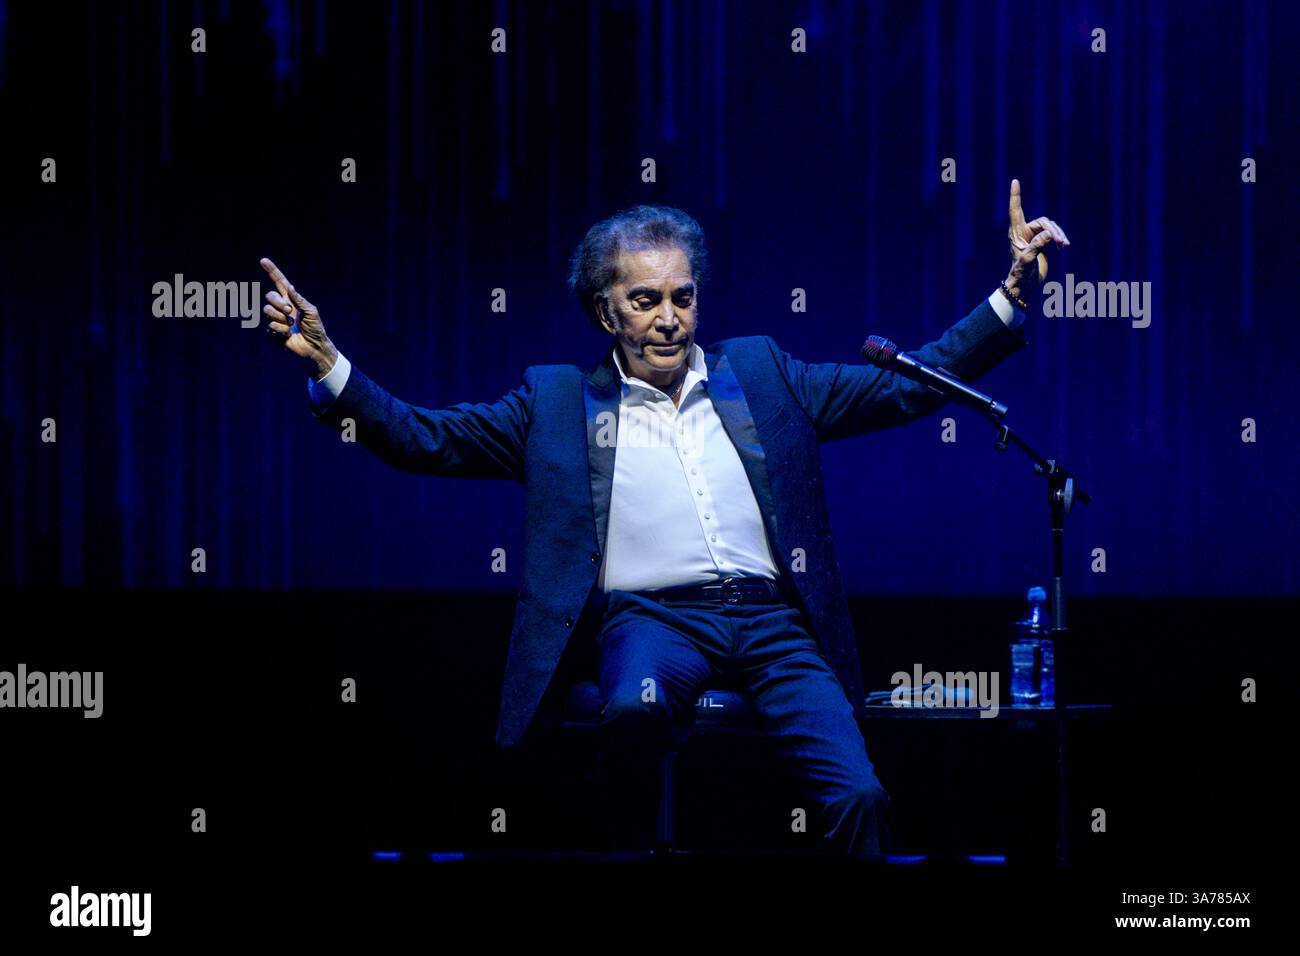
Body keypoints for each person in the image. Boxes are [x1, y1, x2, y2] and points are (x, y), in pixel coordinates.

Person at [260, 181, 1068, 857]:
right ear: (605, 313)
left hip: (773, 626)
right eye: (644, 301)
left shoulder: (762, 373)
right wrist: (333, 367)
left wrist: (1010, 295)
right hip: (653, 622)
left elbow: (907, 385)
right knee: (635, 710)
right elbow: (421, 438)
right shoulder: (556, 403)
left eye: (682, 297)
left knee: (860, 795)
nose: (668, 318)